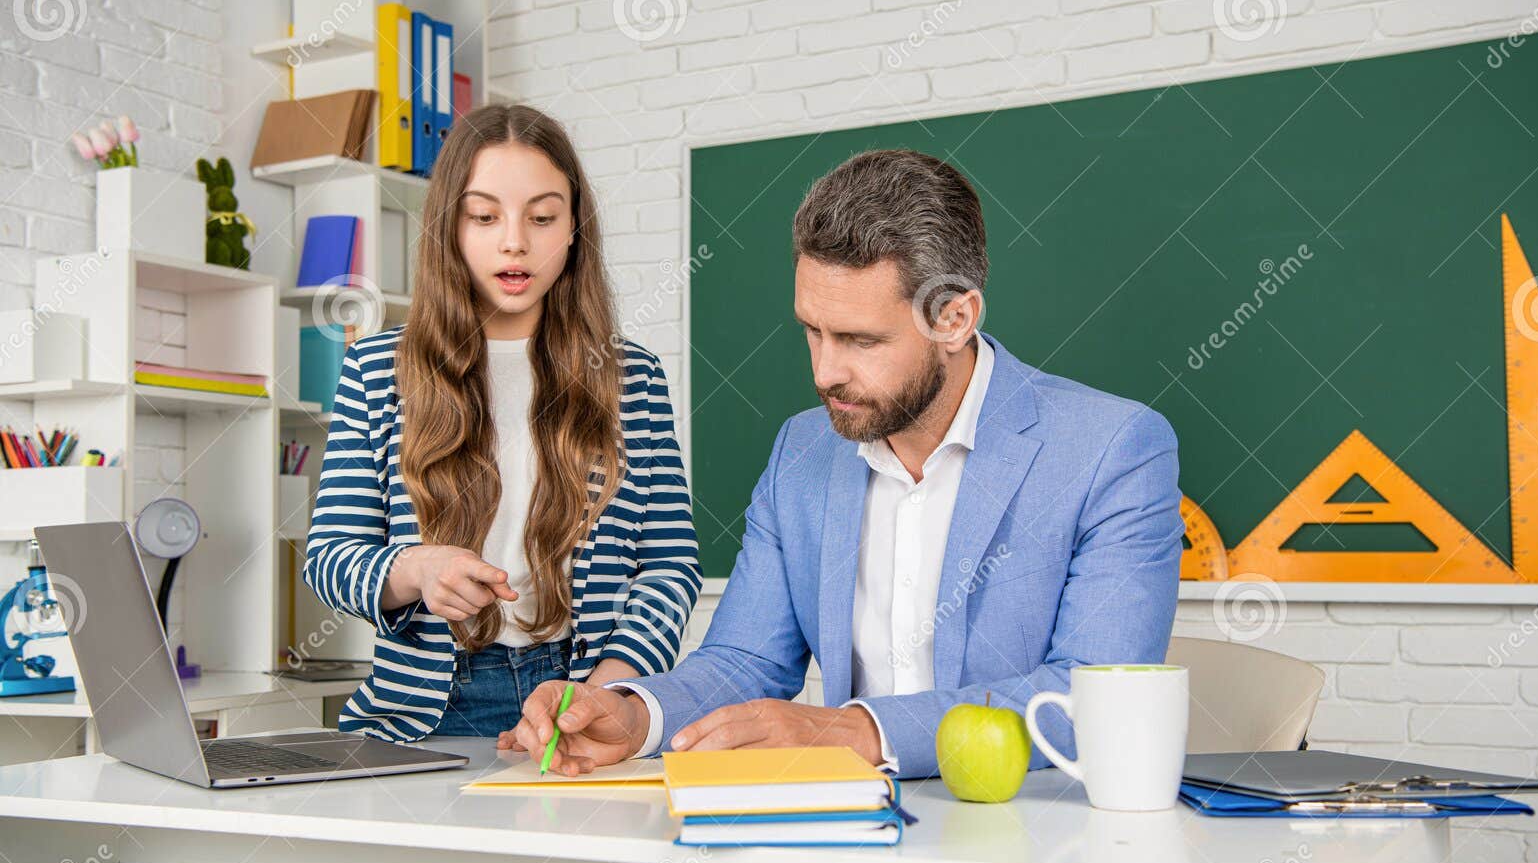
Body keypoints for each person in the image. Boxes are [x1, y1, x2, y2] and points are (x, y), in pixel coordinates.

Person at [508, 149, 1180, 779]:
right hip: (844, 835)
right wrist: (635, 713)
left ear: (954, 318)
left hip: (1031, 846)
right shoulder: (803, 451)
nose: (826, 372)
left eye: (860, 339)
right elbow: (747, 659)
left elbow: (1092, 695)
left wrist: (855, 731)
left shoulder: (1112, 449)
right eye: (812, 330)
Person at [302, 105, 701, 742]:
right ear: (450, 229)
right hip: (423, 711)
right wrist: (415, 571)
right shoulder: (377, 368)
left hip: (578, 693)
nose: (515, 241)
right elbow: (330, 558)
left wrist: (606, 694)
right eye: (485, 217)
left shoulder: (632, 377)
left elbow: (669, 567)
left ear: (573, 229)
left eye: (542, 217)